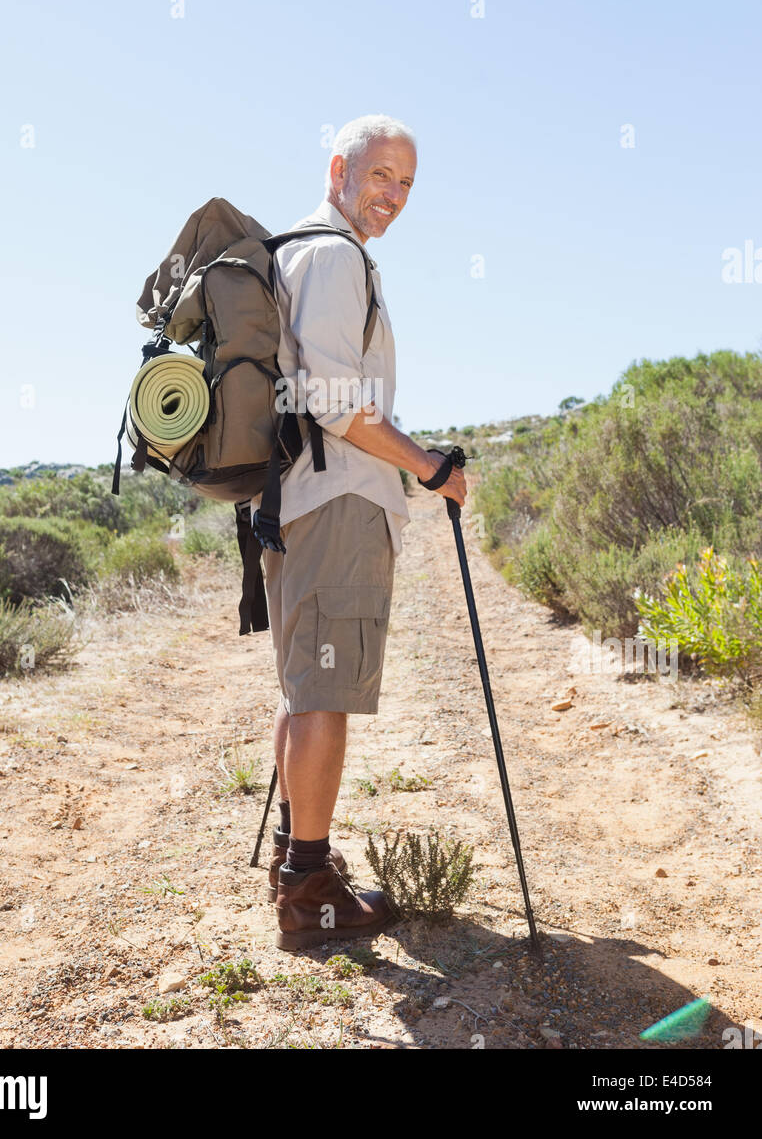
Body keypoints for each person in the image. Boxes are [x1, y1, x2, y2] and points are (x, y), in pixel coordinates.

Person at [252, 114, 467, 951]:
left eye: (407, 184)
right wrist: (430, 466)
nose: (394, 196)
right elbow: (338, 404)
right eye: (382, 175)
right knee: (326, 692)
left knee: (306, 687)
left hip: (297, 499)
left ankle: (295, 864)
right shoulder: (334, 256)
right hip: (336, 499)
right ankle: (310, 896)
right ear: (340, 167)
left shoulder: (299, 252)